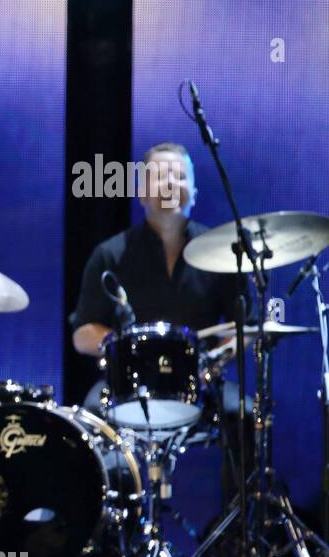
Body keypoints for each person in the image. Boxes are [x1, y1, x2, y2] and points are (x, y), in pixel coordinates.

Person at [70, 141, 251, 495]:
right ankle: (111, 538)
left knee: (247, 417)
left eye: (179, 176)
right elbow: (83, 333)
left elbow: (242, 329)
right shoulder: (110, 254)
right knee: (90, 415)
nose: (170, 184)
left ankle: (236, 538)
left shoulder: (222, 253)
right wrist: (122, 349)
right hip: (127, 385)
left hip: (199, 384)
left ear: (194, 191)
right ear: (140, 192)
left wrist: (213, 363)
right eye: (158, 176)